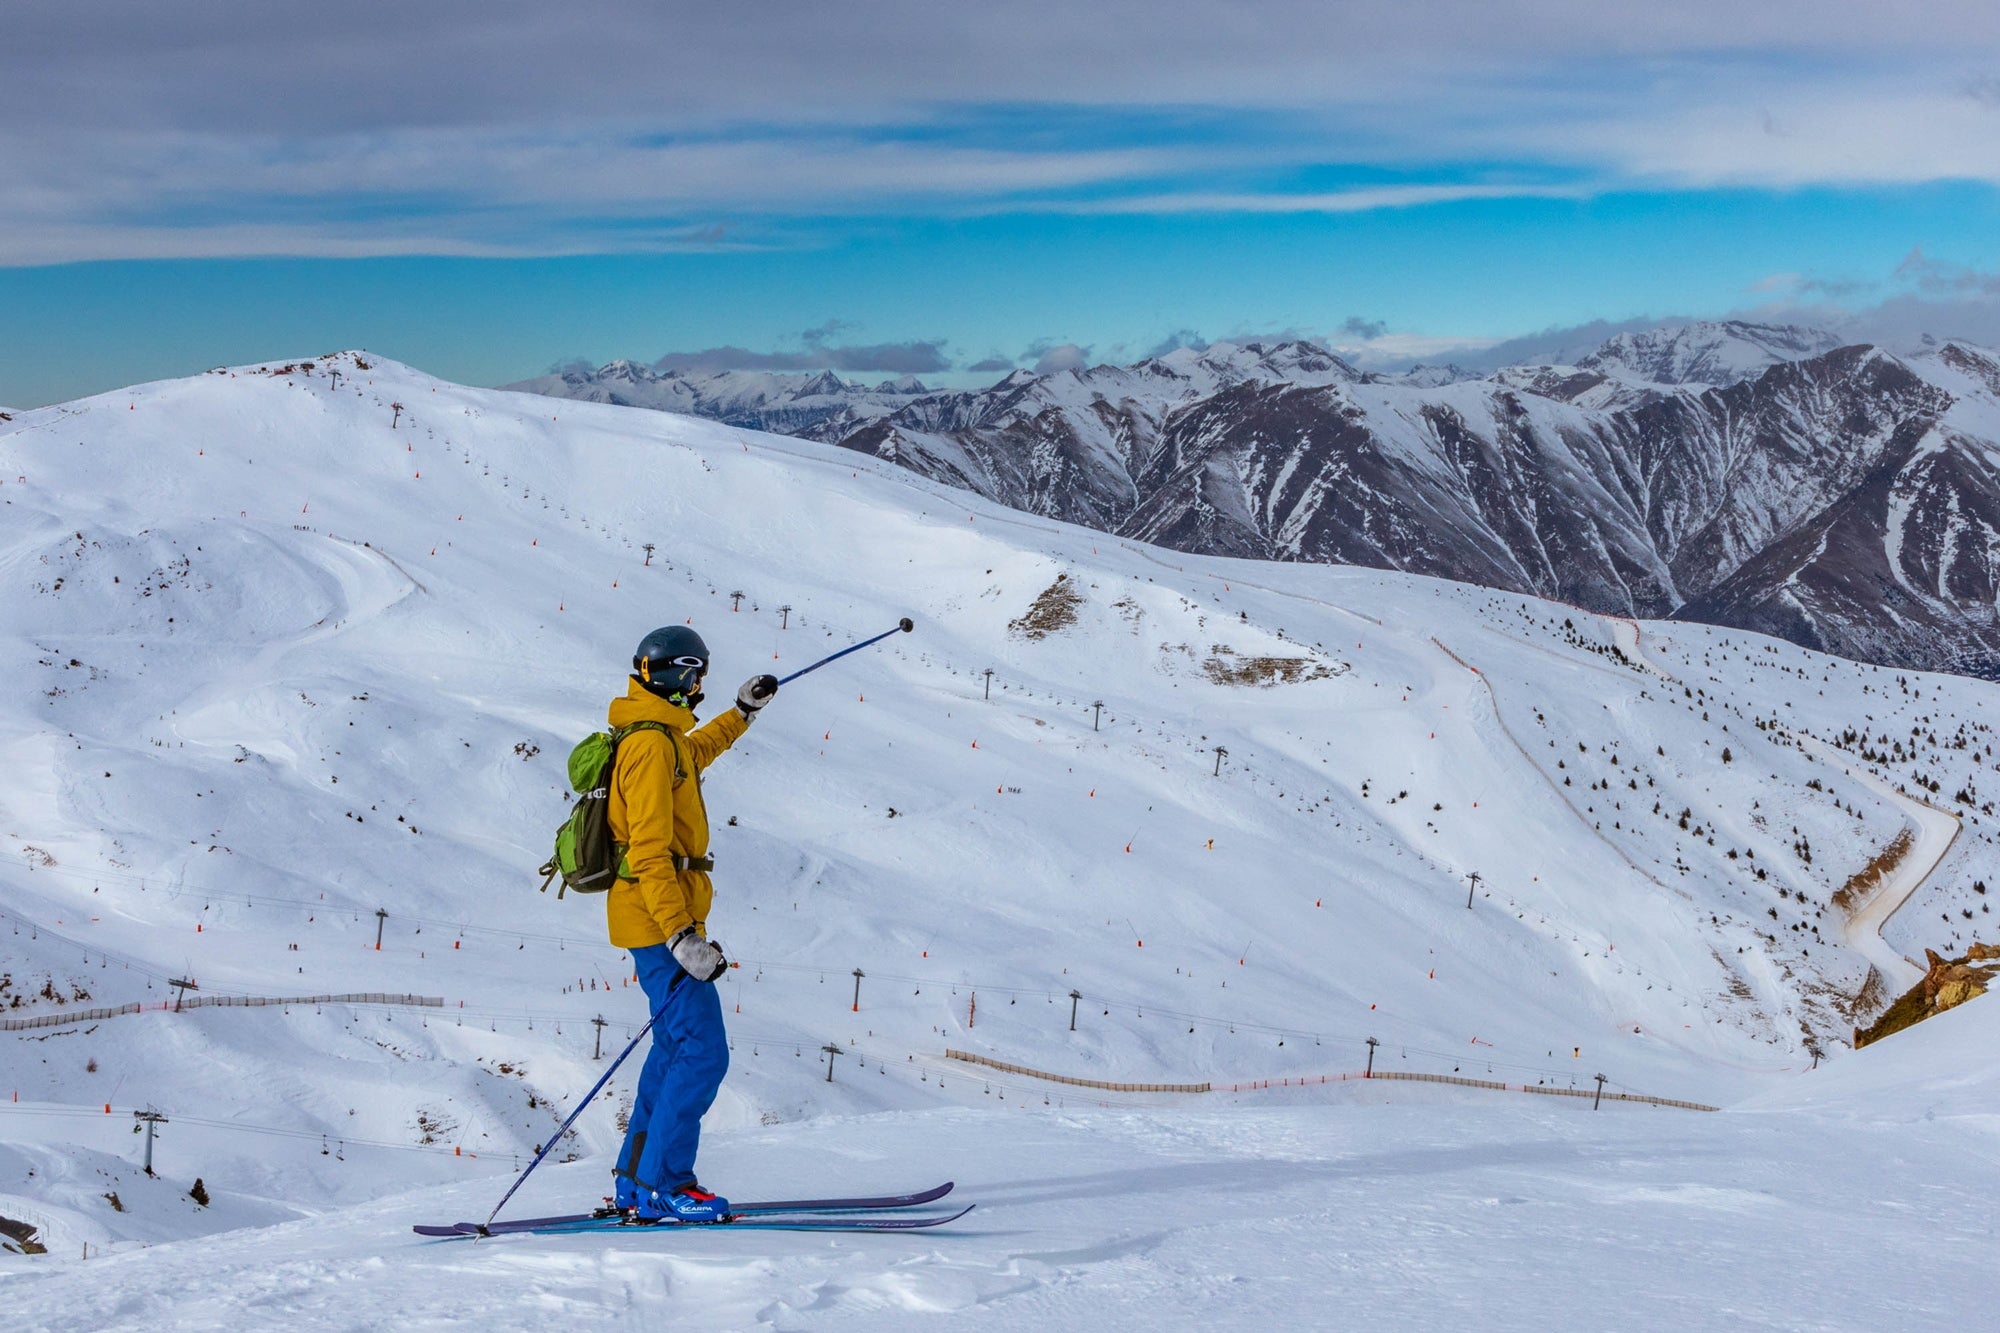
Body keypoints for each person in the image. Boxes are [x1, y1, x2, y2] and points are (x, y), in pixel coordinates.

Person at [605, 624, 776, 1222]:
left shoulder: (663, 739)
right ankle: (664, 1186)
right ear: (680, 674)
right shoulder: (650, 746)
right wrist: (681, 937)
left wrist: (741, 713)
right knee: (703, 1053)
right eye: (697, 674)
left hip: (656, 917)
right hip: (659, 922)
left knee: (674, 1049)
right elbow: (649, 851)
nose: (701, 684)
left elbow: (696, 753)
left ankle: (637, 1182)